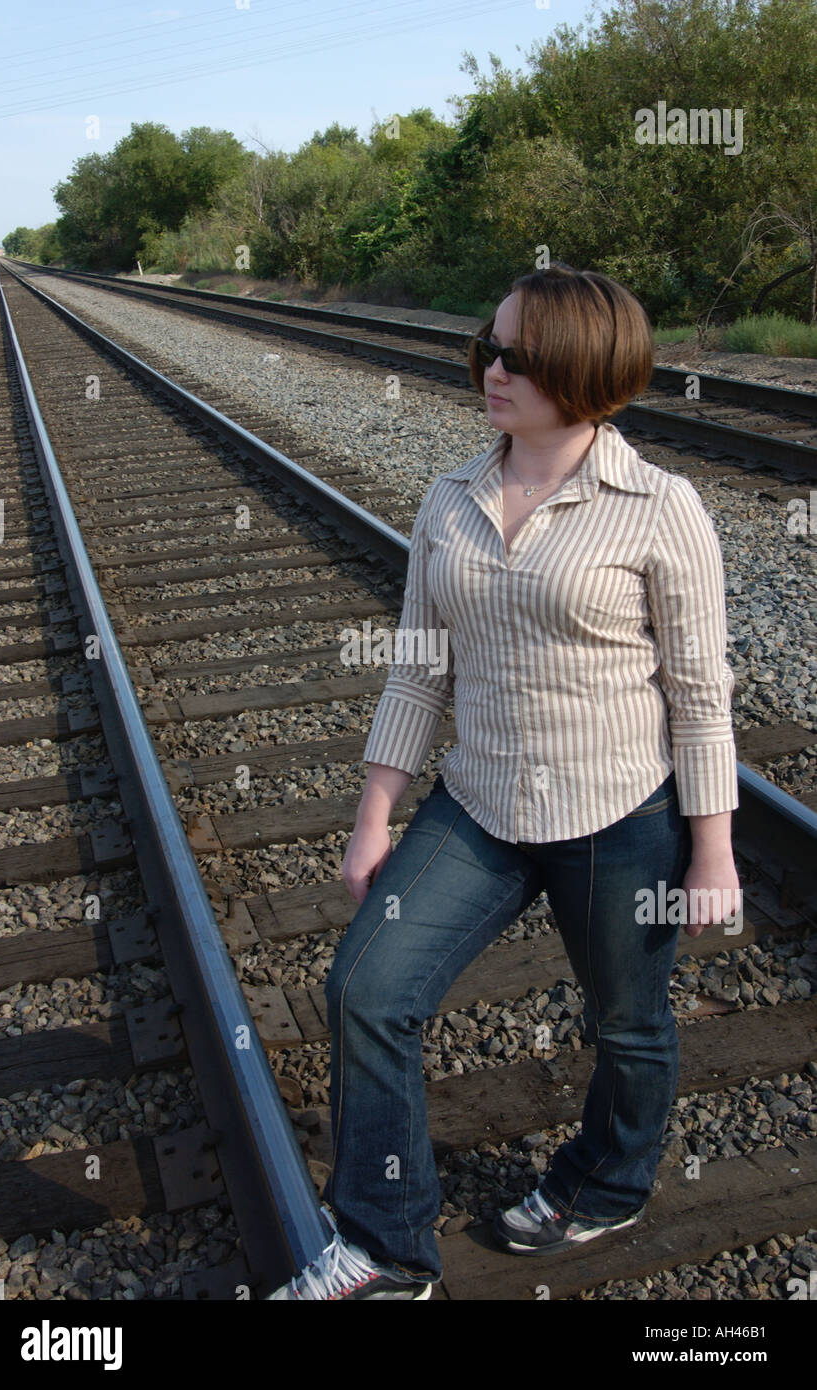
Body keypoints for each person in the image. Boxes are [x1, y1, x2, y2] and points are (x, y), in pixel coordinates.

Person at [267, 263, 741, 1301]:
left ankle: (608, 1182)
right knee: (366, 986)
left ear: (585, 367)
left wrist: (712, 849)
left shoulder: (663, 509)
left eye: (519, 355)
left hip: (622, 813)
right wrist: (373, 813)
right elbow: (417, 669)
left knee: (627, 1021)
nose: (492, 367)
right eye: (489, 345)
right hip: (478, 804)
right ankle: (389, 1246)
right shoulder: (449, 498)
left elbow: (701, 692)